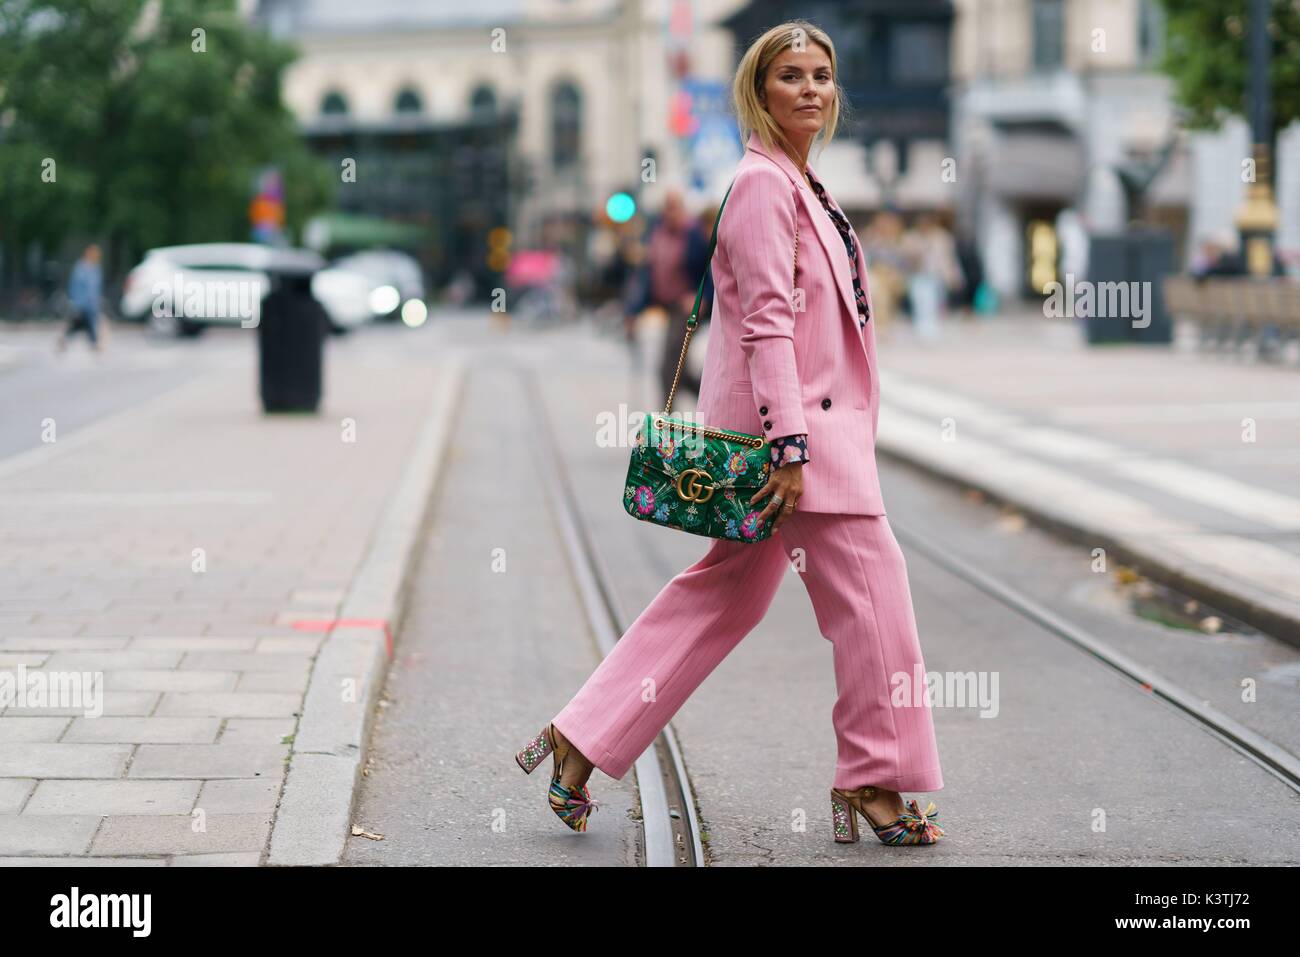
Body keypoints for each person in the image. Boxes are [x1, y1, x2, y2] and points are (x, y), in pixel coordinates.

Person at [515, 19, 945, 847]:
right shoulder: (761, 185)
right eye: (791, 75)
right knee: (875, 602)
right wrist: (789, 447)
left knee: (722, 600)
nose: (811, 88)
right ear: (758, 89)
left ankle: (580, 737)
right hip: (794, 446)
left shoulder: (802, 183)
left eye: (822, 74)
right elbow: (767, 326)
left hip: (800, 438)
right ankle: (874, 777)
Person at [56, 244, 105, 353]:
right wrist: (75, 302)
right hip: (82, 303)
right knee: (84, 323)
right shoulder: (81, 268)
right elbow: (75, 287)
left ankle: (66, 339)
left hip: (91, 304)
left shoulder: (96, 268)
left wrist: (97, 300)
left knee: (82, 324)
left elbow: (96, 287)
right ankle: (95, 344)